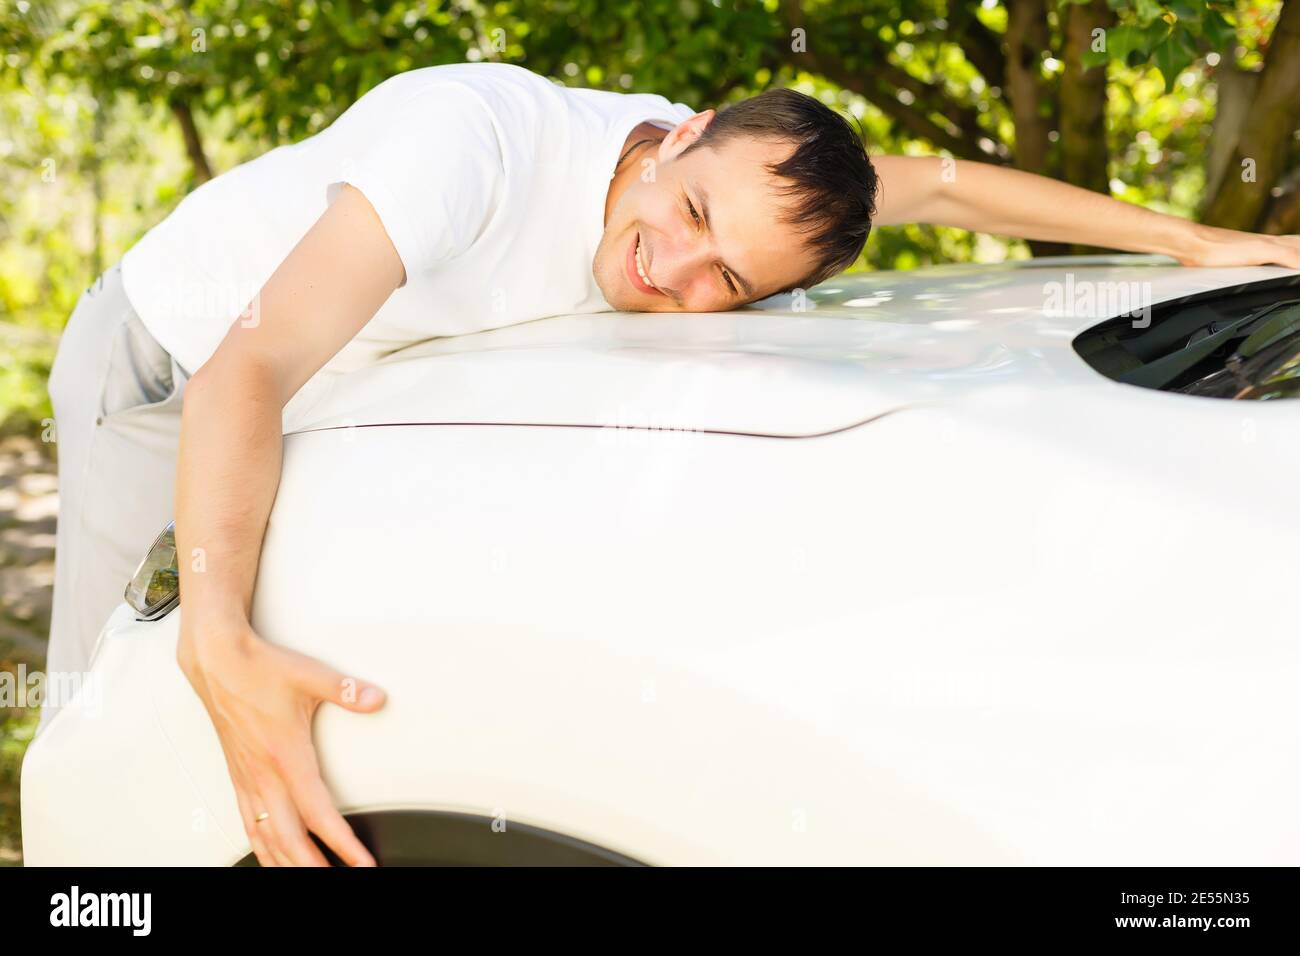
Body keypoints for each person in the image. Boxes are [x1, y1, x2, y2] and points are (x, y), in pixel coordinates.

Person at [38, 60, 1300, 868]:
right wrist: (215, 637)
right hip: (167, 366)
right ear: (677, 131)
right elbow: (239, 375)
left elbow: (956, 187)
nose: (675, 271)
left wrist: (1183, 235)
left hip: (335, 378)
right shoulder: (470, 144)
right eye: (689, 216)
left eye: (729, 282)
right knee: (117, 760)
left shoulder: (766, 188)